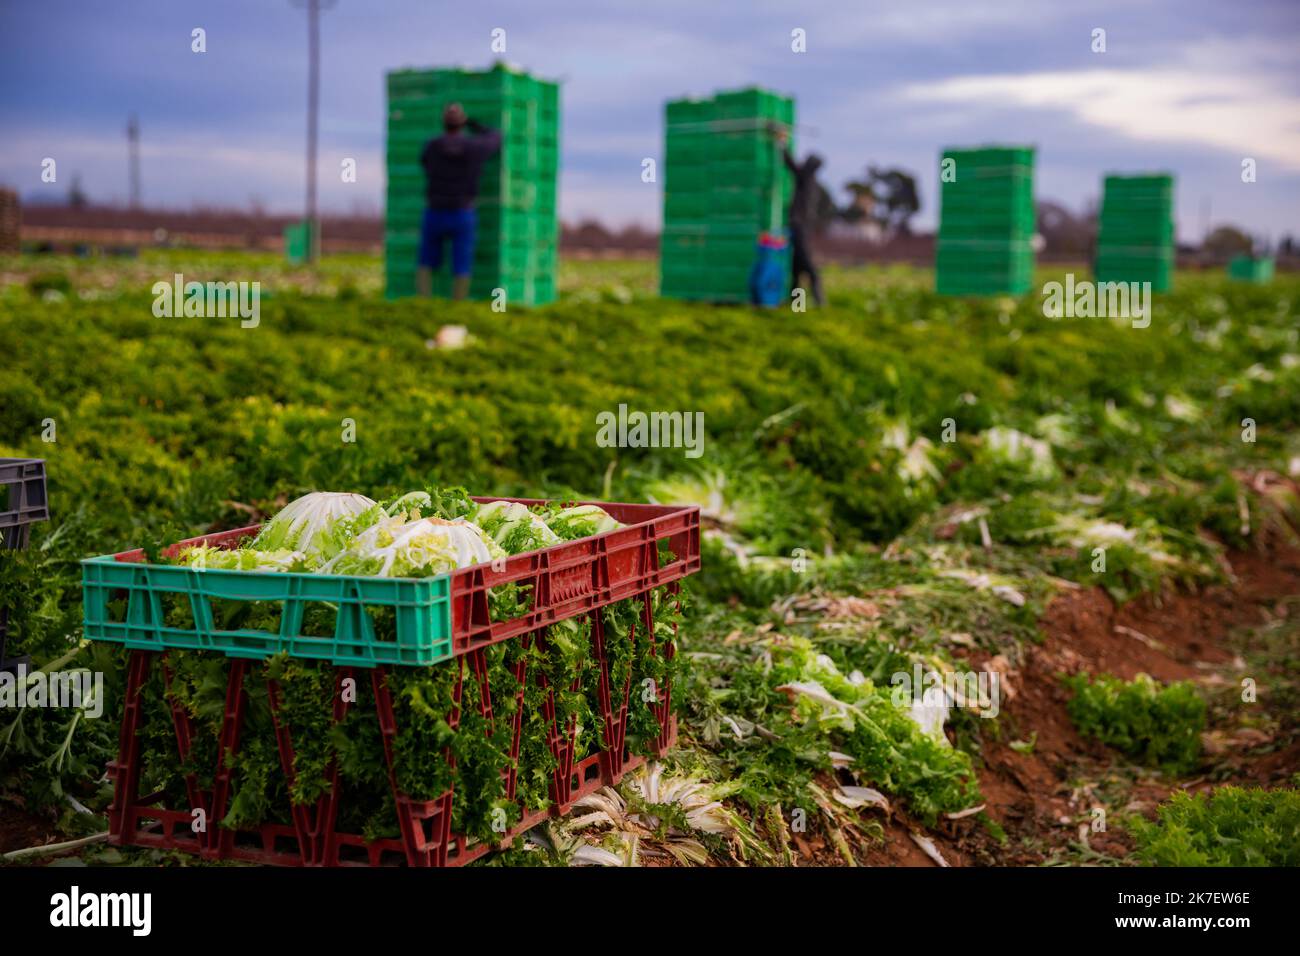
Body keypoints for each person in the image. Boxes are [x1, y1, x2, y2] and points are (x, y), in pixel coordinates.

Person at [417, 103, 502, 300]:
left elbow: (423, 162)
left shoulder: (432, 146)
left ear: (443, 123)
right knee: (462, 262)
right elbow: (497, 137)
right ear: (461, 124)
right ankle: (458, 304)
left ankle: (422, 302)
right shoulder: (474, 147)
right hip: (462, 212)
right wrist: (474, 124)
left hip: (435, 210)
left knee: (426, 260)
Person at [775, 127, 825, 307]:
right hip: (801, 226)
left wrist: (781, 143)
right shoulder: (812, 184)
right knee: (796, 267)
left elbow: (790, 165)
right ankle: (798, 305)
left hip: (799, 227)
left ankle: (819, 301)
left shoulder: (805, 178)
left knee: (806, 265)